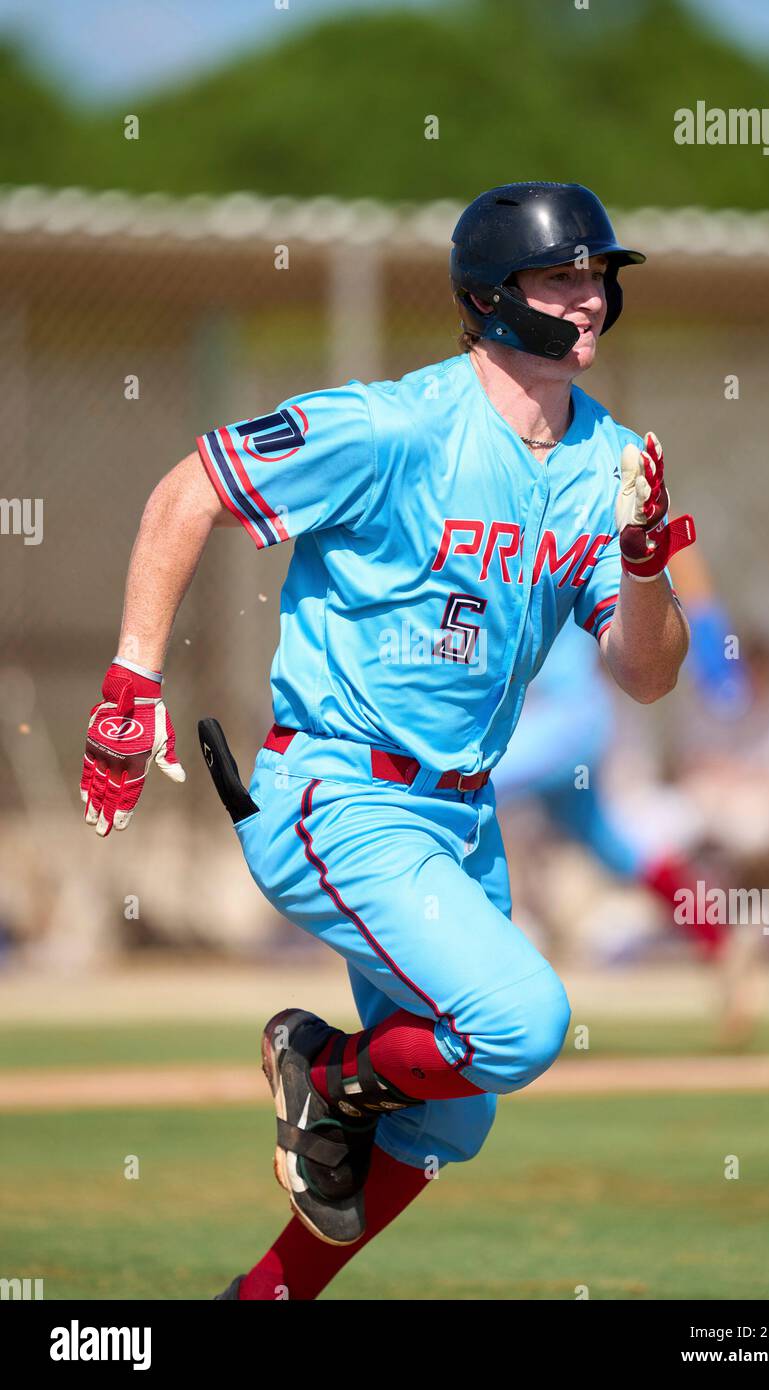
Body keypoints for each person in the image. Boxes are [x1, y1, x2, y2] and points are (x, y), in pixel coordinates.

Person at [80, 182, 695, 1300]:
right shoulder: (398, 424)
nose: (592, 296)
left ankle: (259, 1300)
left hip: (457, 818)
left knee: (450, 1118)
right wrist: (132, 677)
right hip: (336, 792)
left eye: (598, 275)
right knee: (519, 1022)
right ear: (490, 296)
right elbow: (189, 490)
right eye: (562, 276)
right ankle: (322, 1063)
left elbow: (646, 676)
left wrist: (643, 561)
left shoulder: (603, 463)